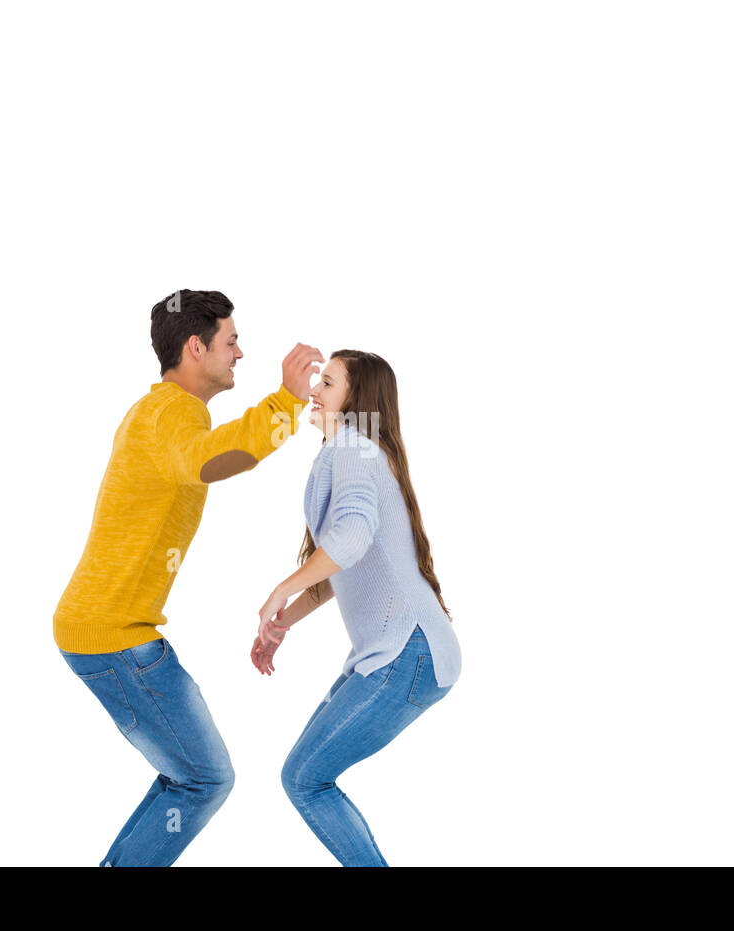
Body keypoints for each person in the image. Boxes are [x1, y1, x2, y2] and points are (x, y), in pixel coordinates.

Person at [54, 288, 320, 866]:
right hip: (116, 636)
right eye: (231, 341)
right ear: (196, 347)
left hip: (108, 629)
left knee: (192, 777)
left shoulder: (161, 413)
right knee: (205, 778)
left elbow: (203, 454)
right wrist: (287, 402)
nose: (241, 354)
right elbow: (213, 459)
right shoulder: (172, 413)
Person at [250, 349, 462, 866]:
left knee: (305, 778)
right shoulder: (354, 452)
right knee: (306, 777)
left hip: (406, 653)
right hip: (404, 653)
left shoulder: (351, 450)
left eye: (327, 383)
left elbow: (349, 538)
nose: (313, 392)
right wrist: (285, 621)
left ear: (357, 400)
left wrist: (280, 588)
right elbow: (342, 565)